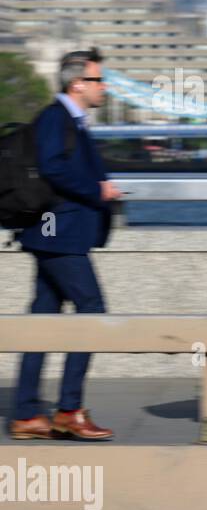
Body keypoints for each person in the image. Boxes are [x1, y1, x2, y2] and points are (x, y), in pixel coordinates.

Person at [9, 49, 122, 441]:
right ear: (78, 84)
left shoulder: (69, 120)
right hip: (58, 233)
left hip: (55, 232)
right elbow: (53, 168)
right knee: (92, 309)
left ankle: (26, 414)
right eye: (98, 80)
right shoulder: (57, 118)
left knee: (43, 319)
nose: (104, 87)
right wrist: (97, 189)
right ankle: (69, 410)